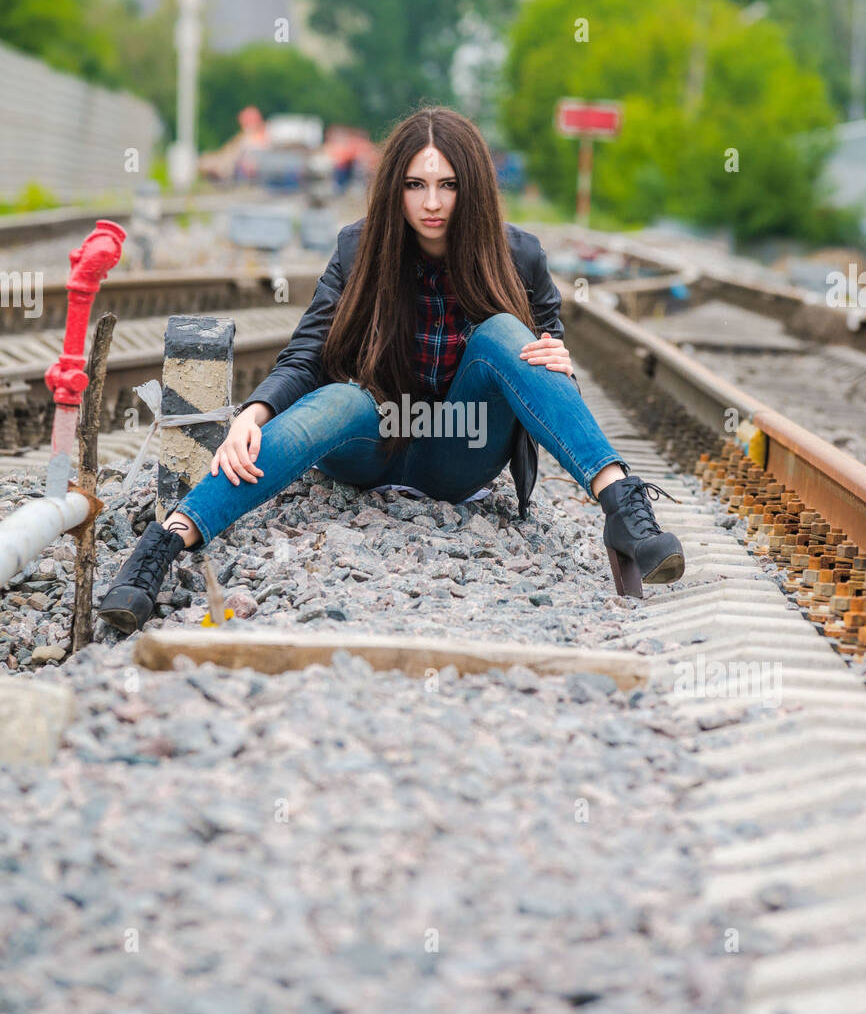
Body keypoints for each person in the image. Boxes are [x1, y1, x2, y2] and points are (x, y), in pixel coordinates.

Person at [99, 107, 684, 634]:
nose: (432, 203)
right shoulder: (358, 250)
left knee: (508, 332)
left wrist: (559, 362)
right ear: (395, 188)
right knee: (341, 399)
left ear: (473, 188)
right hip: (370, 439)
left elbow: (547, 389)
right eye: (416, 185)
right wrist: (254, 412)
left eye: (448, 185)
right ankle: (164, 545)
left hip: (461, 448)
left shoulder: (520, 257)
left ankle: (623, 509)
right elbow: (306, 354)